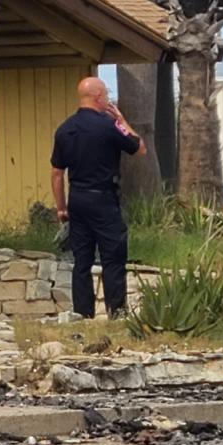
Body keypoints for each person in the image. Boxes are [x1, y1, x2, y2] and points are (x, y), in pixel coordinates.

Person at [50, 77, 147, 319]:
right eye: (106, 95)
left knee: (81, 261)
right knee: (112, 257)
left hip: (78, 200)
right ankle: (116, 312)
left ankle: (82, 314)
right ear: (99, 97)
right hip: (103, 199)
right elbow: (139, 147)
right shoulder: (109, 126)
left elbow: (56, 174)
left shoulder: (65, 129)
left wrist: (61, 207)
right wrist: (121, 120)